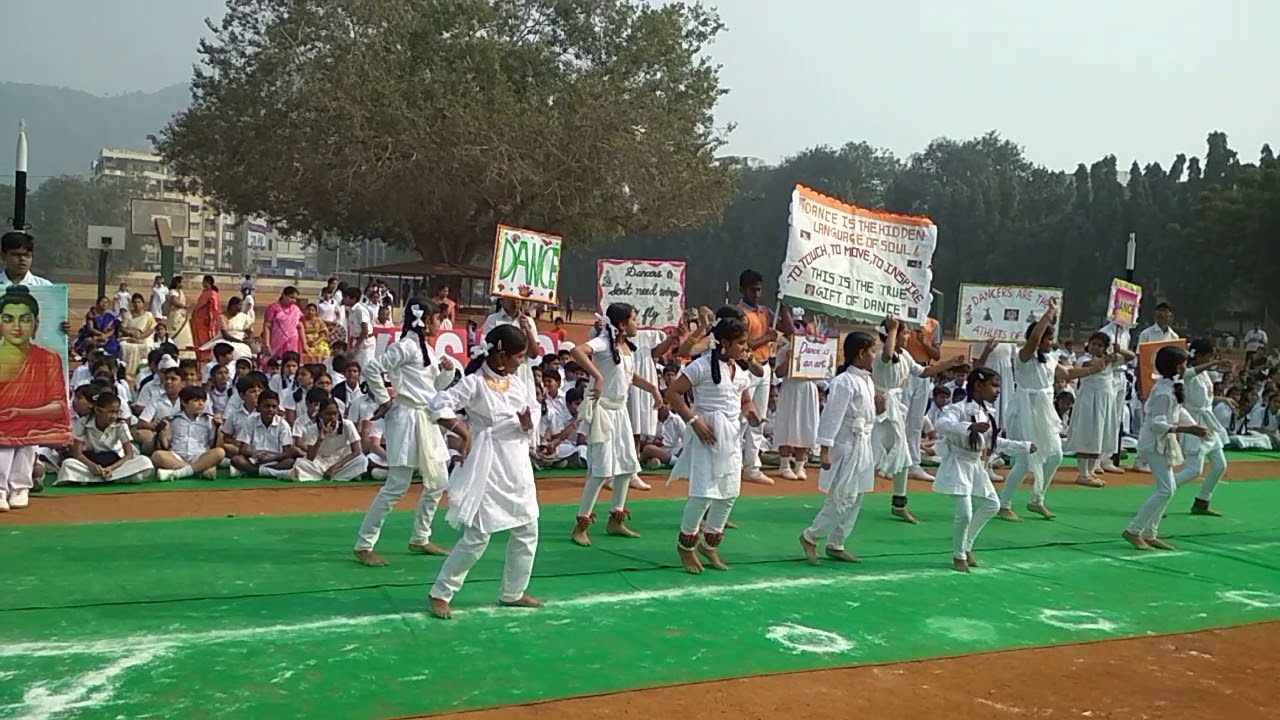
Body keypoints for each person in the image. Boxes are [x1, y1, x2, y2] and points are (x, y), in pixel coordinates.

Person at [426, 324, 541, 620]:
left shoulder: (516, 383)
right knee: (478, 536)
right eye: (518, 356)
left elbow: (534, 411)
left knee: (527, 528)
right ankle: (441, 591)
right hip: (489, 463)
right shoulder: (474, 383)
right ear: (501, 357)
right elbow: (439, 404)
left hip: (517, 463)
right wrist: (463, 432)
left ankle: (513, 591)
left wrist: (528, 422)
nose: (521, 362)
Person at [353, 298, 459, 566]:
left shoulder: (426, 349)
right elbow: (372, 368)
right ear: (424, 320)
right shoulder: (407, 346)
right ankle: (364, 544)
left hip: (425, 417)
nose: (440, 323)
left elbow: (432, 386)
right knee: (396, 486)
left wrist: (447, 372)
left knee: (438, 481)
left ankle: (420, 537)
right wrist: (384, 400)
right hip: (406, 417)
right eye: (436, 318)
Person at [663, 313, 761, 574]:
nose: (744, 348)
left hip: (730, 439)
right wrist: (694, 420)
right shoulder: (700, 366)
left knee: (730, 493)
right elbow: (672, 394)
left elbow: (745, 401)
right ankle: (685, 545)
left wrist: (750, 412)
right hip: (706, 437)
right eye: (740, 343)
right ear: (724, 343)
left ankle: (709, 543)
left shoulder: (739, 372)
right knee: (702, 494)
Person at [998, 302, 1107, 520]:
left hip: (1045, 411)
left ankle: (1037, 499)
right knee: (1024, 460)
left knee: (1056, 455)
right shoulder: (1023, 356)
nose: (1051, 342)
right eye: (1048, 339)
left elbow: (1066, 374)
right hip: (1024, 410)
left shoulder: (1049, 359)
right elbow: (1035, 340)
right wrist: (1047, 315)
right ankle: (1004, 505)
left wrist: (1095, 368)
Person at [568, 304, 663, 546]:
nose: (637, 323)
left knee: (626, 467)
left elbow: (629, 377)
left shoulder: (625, 348)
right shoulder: (602, 343)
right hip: (603, 411)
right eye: (634, 319)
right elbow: (577, 351)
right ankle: (580, 526)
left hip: (620, 412)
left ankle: (616, 519)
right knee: (601, 471)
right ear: (621, 325)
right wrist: (597, 377)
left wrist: (653, 388)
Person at [935, 367, 1035, 572]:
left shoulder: (987, 413)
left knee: (992, 504)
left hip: (975, 465)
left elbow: (995, 443)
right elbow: (942, 424)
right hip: (957, 464)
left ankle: (966, 545)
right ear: (979, 386)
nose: (997, 390)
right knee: (965, 512)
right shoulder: (959, 408)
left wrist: (1023, 446)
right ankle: (958, 554)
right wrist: (968, 427)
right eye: (994, 385)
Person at [873, 316, 965, 523]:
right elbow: (888, 355)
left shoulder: (905, 355)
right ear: (893, 335)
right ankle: (843, 495)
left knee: (903, 458)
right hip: (880, 411)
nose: (908, 336)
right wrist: (894, 329)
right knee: (867, 455)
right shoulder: (882, 355)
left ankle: (899, 503)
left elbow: (925, 371)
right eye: (904, 333)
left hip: (895, 410)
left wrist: (950, 363)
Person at [799, 331, 879, 564]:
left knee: (857, 497)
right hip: (845, 445)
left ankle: (837, 542)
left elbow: (867, 414)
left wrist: (880, 409)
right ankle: (811, 536)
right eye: (873, 351)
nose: (875, 355)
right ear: (861, 353)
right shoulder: (844, 381)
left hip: (862, 443)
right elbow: (831, 416)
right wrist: (824, 448)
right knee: (842, 496)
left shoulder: (866, 380)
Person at [1122, 345, 1208, 550]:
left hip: (1164, 441)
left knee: (1167, 489)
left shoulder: (1172, 384)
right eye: (1184, 363)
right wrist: (1187, 430)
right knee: (1166, 489)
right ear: (1177, 367)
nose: (1187, 367)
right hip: (1154, 442)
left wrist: (1193, 426)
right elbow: (1157, 424)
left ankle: (1151, 533)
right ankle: (1133, 530)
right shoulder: (1162, 392)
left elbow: (1177, 413)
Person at [0, 284, 72, 509]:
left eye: (25, 319)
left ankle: (20, 486)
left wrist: (21, 412)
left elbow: (59, 406)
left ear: (36, 323)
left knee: (27, 431)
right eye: (8, 319)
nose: (17, 327)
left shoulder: (48, 358)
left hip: (32, 421)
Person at [1174, 339, 1235, 516]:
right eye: (1209, 356)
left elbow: (1205, 400)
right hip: (1194, 422)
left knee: (1219, 465)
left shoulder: (1205, 374)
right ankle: (1159, 495)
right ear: (1199, 356)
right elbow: (1189, 374)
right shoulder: (1186, 373)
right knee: (1193, 470)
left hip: (1208, 421)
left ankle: (1202, 502)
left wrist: (1224, 399)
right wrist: (1214, 363)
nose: (1212, 359)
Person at [1065, 332, 1134, 487]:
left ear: (1105, 347)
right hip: (1089, 400)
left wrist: (1119, 350)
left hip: (1105, 400)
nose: (1095, 347)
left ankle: (1091, 471)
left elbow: (1131, 357)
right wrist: (1106, 359)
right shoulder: (1084, 359)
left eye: (1100, 345)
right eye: (1093, 344)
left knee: (1100, 434)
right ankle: (1082, 473)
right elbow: (1090, 366)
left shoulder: (1112, 361)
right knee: (1086, 434)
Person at [56, 391, 154, 485]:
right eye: (110, 412)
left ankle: (93, 479)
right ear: (98, 410)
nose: (114, 416)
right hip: (91, 461)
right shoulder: (83, 423)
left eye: (117, 412)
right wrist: (92, 466)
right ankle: (116, 478)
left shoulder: (120, 425)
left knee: (145, 461)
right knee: (68, 464)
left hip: (115, 462)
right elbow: (78, 454)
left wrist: (111, 468)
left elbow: (129, 454)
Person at [736, 270, 778, 484]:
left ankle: (752, 466)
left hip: (764, 367)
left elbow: (786, 328)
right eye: (753, 290)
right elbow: (742, 344)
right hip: (746, 367)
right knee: (743, 417)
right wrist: (766, 338)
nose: (757, 294)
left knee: (758, 418)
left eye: (759, 289)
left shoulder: (764, 311)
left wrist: (786, 300)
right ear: (743, 289)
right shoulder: (740, 313)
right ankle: (734, 463)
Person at [481, 297, 543, 442]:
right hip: (500, 374)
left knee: (526, 407)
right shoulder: (493, 319)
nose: (516, 303)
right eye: (512, 299)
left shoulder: (528, 321)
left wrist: (526, 329)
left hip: (522, 373)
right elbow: (488, 348)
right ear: (502, 300)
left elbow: (534, 354)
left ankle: (528, 446)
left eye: (519, 300)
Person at [773, 310, 822, 481]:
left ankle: (800, 465)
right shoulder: (785, 349)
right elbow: (778, 373)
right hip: (791, 388)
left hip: (808, 389)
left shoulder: (815, 348)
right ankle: (784, 465)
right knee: (787, 424)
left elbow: (823, 371)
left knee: (805, 425)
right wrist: (788, 360)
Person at [152, 385, 226, 480]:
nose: (201, 404)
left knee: (220, 452)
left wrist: (218, 429)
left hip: (200, 456)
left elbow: (216, 446)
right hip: (177, 456)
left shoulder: (209, 420)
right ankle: (197, 470)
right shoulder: (172, 420)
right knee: (157, 455)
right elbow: (165, 446)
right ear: (183, 402)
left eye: (203, 401)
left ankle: (180, 472)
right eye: (196, 400)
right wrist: (162, 432)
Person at [902, 313, 943, 481]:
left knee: (916, 421)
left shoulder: (933, 325)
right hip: (904, 370)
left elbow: (937, 355)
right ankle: (892, 461)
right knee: (900, 417)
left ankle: (914, 464)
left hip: (924, 372)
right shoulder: (902, 319)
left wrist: (923, 342)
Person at [289, 398, 368, 481]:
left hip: (341, 461)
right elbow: (310, 458)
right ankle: (343, 476)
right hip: (321, 462)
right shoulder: (313, 429)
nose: (332, 417)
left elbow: (356, 451)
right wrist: (320, 439)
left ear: (338, 414)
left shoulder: (347, 425)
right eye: (328, 414)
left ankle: (323, 476)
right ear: (320, 415)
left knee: (362, 460)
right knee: (300, 463)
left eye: (335, 414)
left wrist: (335, 467)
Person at [119, 293, 157, 378]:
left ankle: (143, 370)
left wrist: (141, 336)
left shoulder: (148, 315)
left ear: (143, 303)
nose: (137, 304)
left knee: (147, 346)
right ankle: (127, 371)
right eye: (135, 302)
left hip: (144, 338)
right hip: (129, 337)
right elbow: (122, 328)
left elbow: (152, 329)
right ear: (132, 303)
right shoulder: (127, 314)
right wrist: (130, 333)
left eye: (139, 302)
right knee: (124, 345)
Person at [262, 286, 303, 359]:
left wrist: (304, 343)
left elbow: (300, 326)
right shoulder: (273, 308)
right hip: (277, 341)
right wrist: (267, 343)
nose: (294, 300)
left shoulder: (296, 309)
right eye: (291, 297)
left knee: (291, 362)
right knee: (275, 363)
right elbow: (267, 326)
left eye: (295, 298)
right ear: (283, 295)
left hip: (293, 341)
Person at [342, 286, 376, 367]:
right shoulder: (350, 310)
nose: (344, 299)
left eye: (346, 297)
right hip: (357, 340)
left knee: (364, 366)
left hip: (365, 342)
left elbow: (365, 330)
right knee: (355, 365)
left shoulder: (360, 310)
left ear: (353, 299)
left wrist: (355, 347)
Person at [191, 275, 221, 363]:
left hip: (205, 320)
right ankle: (199, 354)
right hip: (198, 319)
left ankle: (206, 355)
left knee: (205, 338)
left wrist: (209, 317)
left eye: (204, 281)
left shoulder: (212, 293)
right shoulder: (204, 292)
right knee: (198, 337)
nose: (202, 283)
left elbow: (213, 307)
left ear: (208, 282)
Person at [164, 276, 194, 357]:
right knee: (176, 332)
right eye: (182, 282)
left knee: (185, 333)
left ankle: (185, 353)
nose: (183, 284)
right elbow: (175, 302)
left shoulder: (180, 292)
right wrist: (185, 306)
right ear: (177, 283)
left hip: (183, 316)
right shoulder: (172, 292)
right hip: (176, 316)